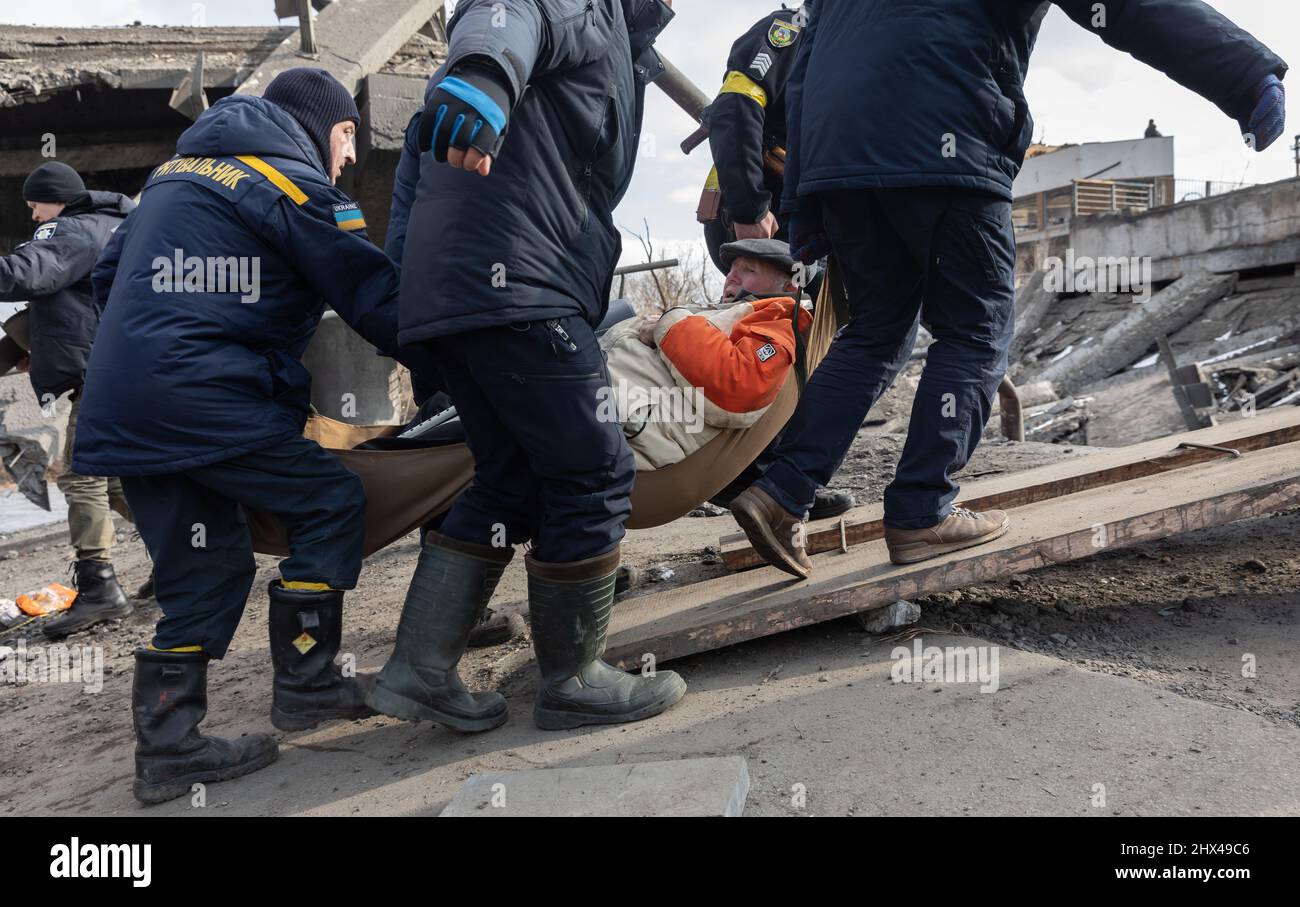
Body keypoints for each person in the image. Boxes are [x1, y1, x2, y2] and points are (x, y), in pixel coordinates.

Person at [729, 0, 1287, 579]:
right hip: (943, 138)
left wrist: (803, 198)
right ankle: (922, 510)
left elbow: (805, 69)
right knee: (975, 329)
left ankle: (782, 492)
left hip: (837, 158)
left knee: (873, 331)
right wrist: (1243, 74)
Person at [73, 68, 435, 805]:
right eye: (348, 142)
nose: (350, 162)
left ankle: (168, 747)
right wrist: (459, 354)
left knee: (204, 571)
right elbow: (373, 296)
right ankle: (306, 684)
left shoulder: (170, 179)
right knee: (331, 503)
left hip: (125, 408)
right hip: (205, 404)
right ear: (328, 129)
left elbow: (107, 280)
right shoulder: (295, 186)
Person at [368, 0, 687, 734]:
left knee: (508, 478)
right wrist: (484, 72)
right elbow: (508, 12)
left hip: (463, 293)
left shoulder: (621, 37)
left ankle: (419, 667)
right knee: (594, 470)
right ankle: (575, 677)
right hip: (516, 280)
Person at [0, 162, 138, 635]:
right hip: (127, 367)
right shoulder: (114, 225)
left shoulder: (72, 229)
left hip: (103, 373)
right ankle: (182, 558)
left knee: (80, 475)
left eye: (35, 204)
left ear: (55, 198)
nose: (34, 216)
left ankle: (101, 590)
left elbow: (27, 275)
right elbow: (68, 309)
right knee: (118, 478)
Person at [699, 7, 804, 272]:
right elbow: (735, 106)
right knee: (772, 313)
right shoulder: (792, 28)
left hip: (827, 230)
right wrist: (750, 209)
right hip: (769, 225)